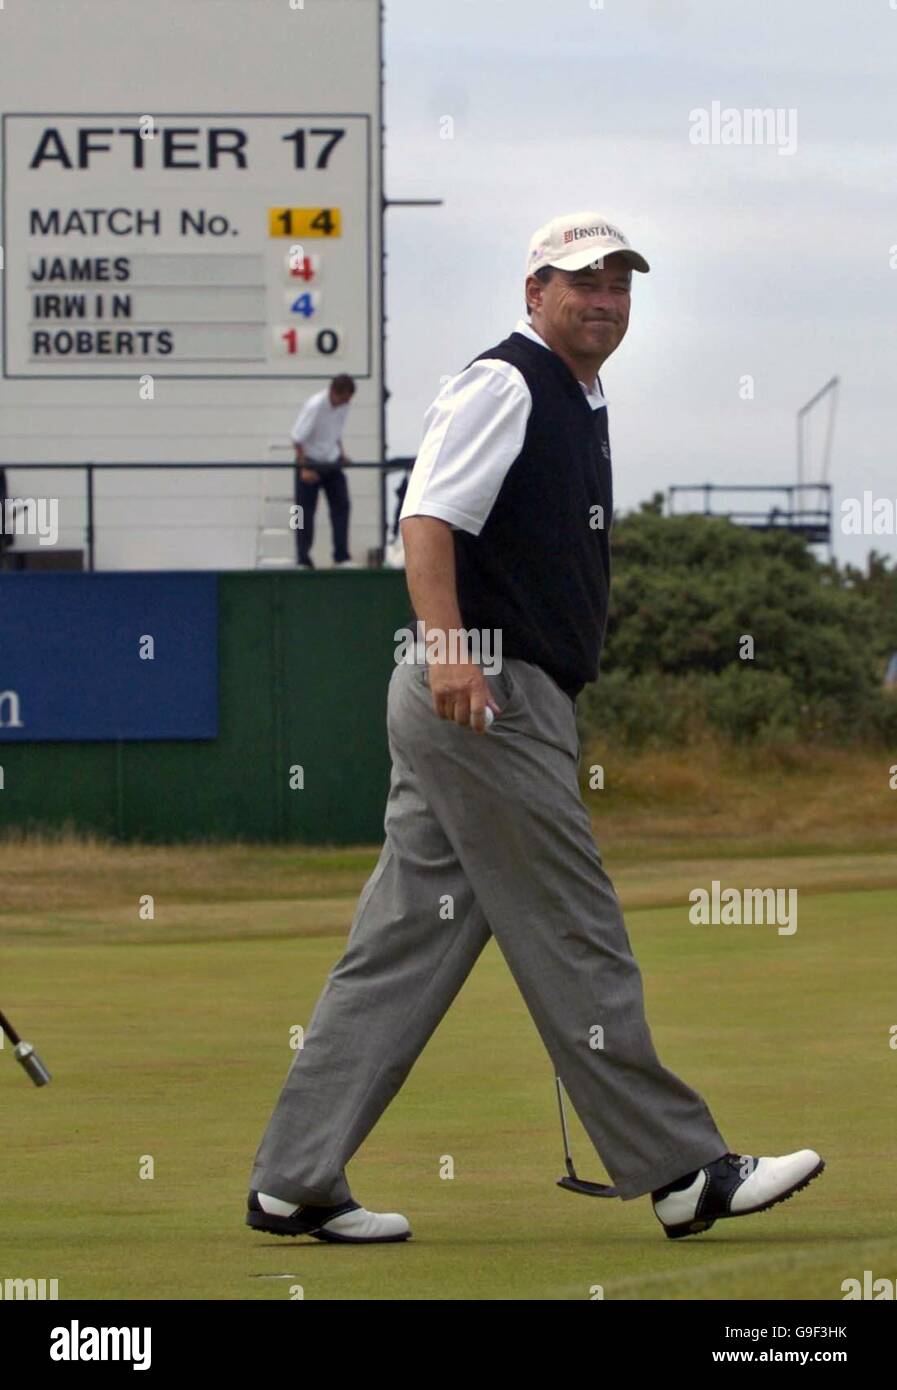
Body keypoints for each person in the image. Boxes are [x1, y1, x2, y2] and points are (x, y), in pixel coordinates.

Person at [246, 212, 823, 1245]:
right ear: (533, 294)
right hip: (483, 689)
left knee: (402, 946)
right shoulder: (508, 381)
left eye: (618, 283)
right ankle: (684, 1169)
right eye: (579, 281)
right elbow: (426, 519)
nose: (602, 298)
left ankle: (294, 1179)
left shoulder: (579, 398)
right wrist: (454, 650)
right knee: (573, 924)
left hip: (494, 693)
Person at [291, 374, 357, 568]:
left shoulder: (344, 405)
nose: (347, 403)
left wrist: (342, 455)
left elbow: (336, 432)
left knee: (342, 506)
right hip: (308, 461)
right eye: (344, 398)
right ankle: (302, 559)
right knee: (302, 513)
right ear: (335, 393)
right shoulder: (315, 406)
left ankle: (341, 556)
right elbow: (297, 439)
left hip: (331, 461)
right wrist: (303, 469)